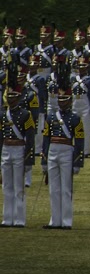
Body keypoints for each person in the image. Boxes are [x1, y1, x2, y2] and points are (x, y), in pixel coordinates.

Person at [43, 81, 85, 229]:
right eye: (59, 99)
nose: (61, 102)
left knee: (66, 188)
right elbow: (46, 138)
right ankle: (54, 220)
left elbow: (79, 141)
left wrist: (78, 162)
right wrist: (44, 159)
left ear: (70, 101)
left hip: (67, 150)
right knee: (53, 188)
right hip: (53, 150)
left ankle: (66, 221)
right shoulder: (51, 117)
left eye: (64, 99)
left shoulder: (75, 119)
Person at [2, 77, 36, 227]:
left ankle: (19, 219)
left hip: (19, 149)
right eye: (8, 96)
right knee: (6, 186)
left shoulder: (26, 115)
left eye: (13, 96)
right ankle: (7, 218)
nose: (10, 99)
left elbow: (30, 139)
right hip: (6, 149)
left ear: (19, 97)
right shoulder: (3, 114)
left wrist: (29, 159)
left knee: (18, 186)